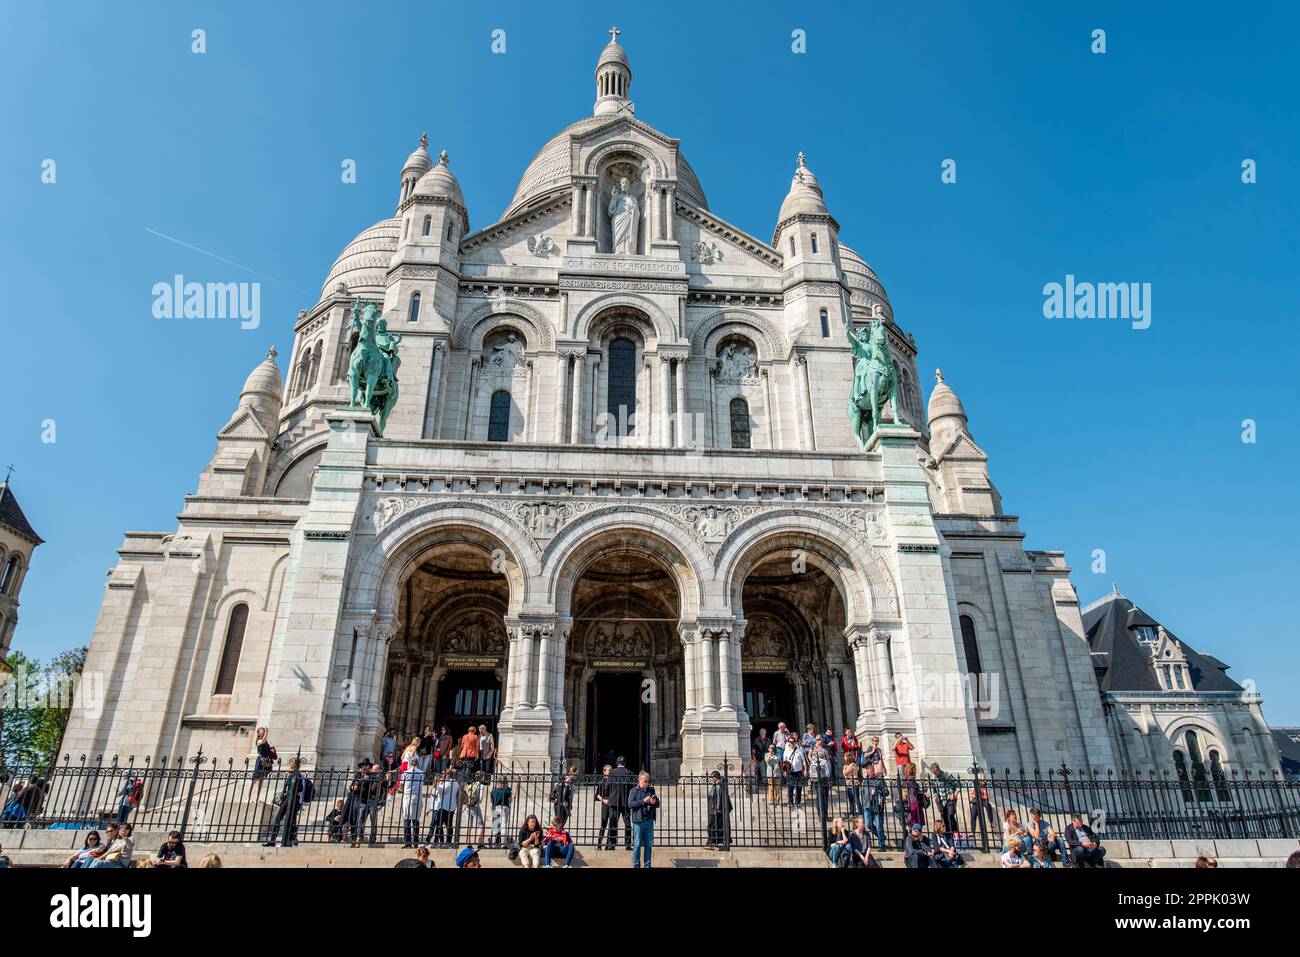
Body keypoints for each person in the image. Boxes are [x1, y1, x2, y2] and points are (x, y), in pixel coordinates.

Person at [265, 758, 309, 847]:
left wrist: (292, 790)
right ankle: (282, 840)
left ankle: (289, 840)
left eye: (290, 767)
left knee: (290, 821)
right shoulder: (293, 776)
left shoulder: (297, 776)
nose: (289, 769)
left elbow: (300, 789)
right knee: (287, 820)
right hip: (290, 799)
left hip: (293, 799)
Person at [629, 771, 658, 868]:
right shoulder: (633, 791)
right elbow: (631, 804)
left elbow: (658, 803)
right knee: (637, 845)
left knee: (648, 844)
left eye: (648, 781)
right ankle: (636, 865)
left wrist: (654, 802)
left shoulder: (651, 790)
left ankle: (647, 865)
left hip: (648, 820)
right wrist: (643, 801)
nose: (647, 783)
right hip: (638, 821)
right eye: (645, 781)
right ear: (639, 780)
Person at [605, 757, 634, 849]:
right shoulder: (629, 773)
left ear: (617, 763)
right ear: (625, 763)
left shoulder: (612, 773)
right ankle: (628, 844)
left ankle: (611, 844)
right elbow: (632, 789)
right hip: (625, 802)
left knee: (613, 823)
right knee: (628, 824)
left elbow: (607, 787)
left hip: (614, 802)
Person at [428, 770, 461, 846]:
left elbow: (437, 792)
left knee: (439, 825)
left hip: (444, 806)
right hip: (451, 806)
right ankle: (448, 842)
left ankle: (436, 842)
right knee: (449, 824)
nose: (442, 775)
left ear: (448, 775)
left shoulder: (447, 783)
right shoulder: (456, 782)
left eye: (444, 774)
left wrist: (437, 784)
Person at [399, 755, 425, 848]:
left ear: (410, 763)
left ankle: (407, 842)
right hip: (416, 796)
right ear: (417, 763)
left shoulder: (405, 773)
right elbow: (421, 784)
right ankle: (415, 842)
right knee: (415, 819)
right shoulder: (421, 773)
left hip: (407, 796)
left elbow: (401, 786)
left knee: (406, 818)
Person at [928, 763, 961, 834]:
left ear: (938, 769)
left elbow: (958, 785)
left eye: (935, 771)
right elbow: (934, 791)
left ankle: (955, 833)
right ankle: (949, 834)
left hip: (950, 799)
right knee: (945, 818)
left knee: (951, 815)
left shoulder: (947, 775)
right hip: (941, 801)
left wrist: (955, 794)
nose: (934, 773)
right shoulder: (933, 779)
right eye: (933, 772)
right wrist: (936, 800)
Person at [861, 761, 887, 850]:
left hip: (877, 807)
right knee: (868, 825)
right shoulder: (865, 781)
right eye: (867, 772)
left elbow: (886, 792)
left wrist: (878, 792)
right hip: (867, 806)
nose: (869, 773)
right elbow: (863, 793)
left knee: (879, 826)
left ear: (873, 771)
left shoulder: (879, 780)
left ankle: (882, 845)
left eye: (870, 771)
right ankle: (882, 836)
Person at [707, 770, 732, 848]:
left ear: (715, 778)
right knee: (716, 826)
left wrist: (717, 809)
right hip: (715, 810)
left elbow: (718, 798)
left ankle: (712, 842)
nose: (710, 780)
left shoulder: (719, 786)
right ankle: (715, 841)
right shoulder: (718, 785)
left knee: (712, 826)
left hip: (717, 811)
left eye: (711, 778)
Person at [461, 771, 486, 848]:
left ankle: (468, 842)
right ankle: (479, 842)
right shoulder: (481, 785)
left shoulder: (470, 784)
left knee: (469, 825)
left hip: (468, 806)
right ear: (482, 777)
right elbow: (480, 799)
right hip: (475, 806)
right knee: (480, 824)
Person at [489, 774, 513, 848]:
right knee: (503, 825)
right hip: (505, 807)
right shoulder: (508, 789)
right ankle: (503, 843)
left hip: (496, 807)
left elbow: (491, 800)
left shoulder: (494, 789)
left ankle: (493, 843)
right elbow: (510, 800)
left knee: (495, 825)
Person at [251, 727, 275, 798]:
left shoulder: (266, 741)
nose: (263, 732)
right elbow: (262, 742)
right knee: (254, 780)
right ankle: (248, 796)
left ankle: (257, 797)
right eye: (261, 731)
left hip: (266, 761)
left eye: (263, 731)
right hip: (260, 761)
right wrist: (267, 733)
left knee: (261, 781)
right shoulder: (259, 740)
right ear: (258, 733)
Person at [904, 761, 927, 830]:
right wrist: (922, 793)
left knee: (914, 825)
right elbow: (913, 793)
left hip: (911, 804)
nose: (916, 771)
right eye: (915, 769)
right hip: (914, 804)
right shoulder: (911, 781)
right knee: (917, 826)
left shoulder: (907, 780)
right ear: (912, 770)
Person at [785, 737, 806, 807]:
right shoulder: (786, 751)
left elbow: (803, 761)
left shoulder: (799, 751)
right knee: (790, 786)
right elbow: (784, 762)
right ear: (788, 743)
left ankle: (798, 802)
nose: (791, 743)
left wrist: (805, 770)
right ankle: (790, 802)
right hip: (790, 771)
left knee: (799, 787)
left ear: (795, 742)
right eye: (790, 742)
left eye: (793, 742)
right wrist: (784, 771)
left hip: (798, 771)